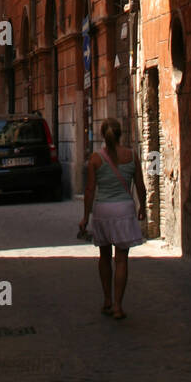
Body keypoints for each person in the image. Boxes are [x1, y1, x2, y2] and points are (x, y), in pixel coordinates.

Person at [79, 117, 146, 319]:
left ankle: (107, 300)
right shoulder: (132, 156)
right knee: (122, 259)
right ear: (120, 134)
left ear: (102, 135)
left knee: (105, 257)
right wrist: (142, 206)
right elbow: (140, 186)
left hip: (103, 211)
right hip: (124, 211)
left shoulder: (95, 159)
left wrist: (85, 217)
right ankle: (118, 306)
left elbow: (90, 190)